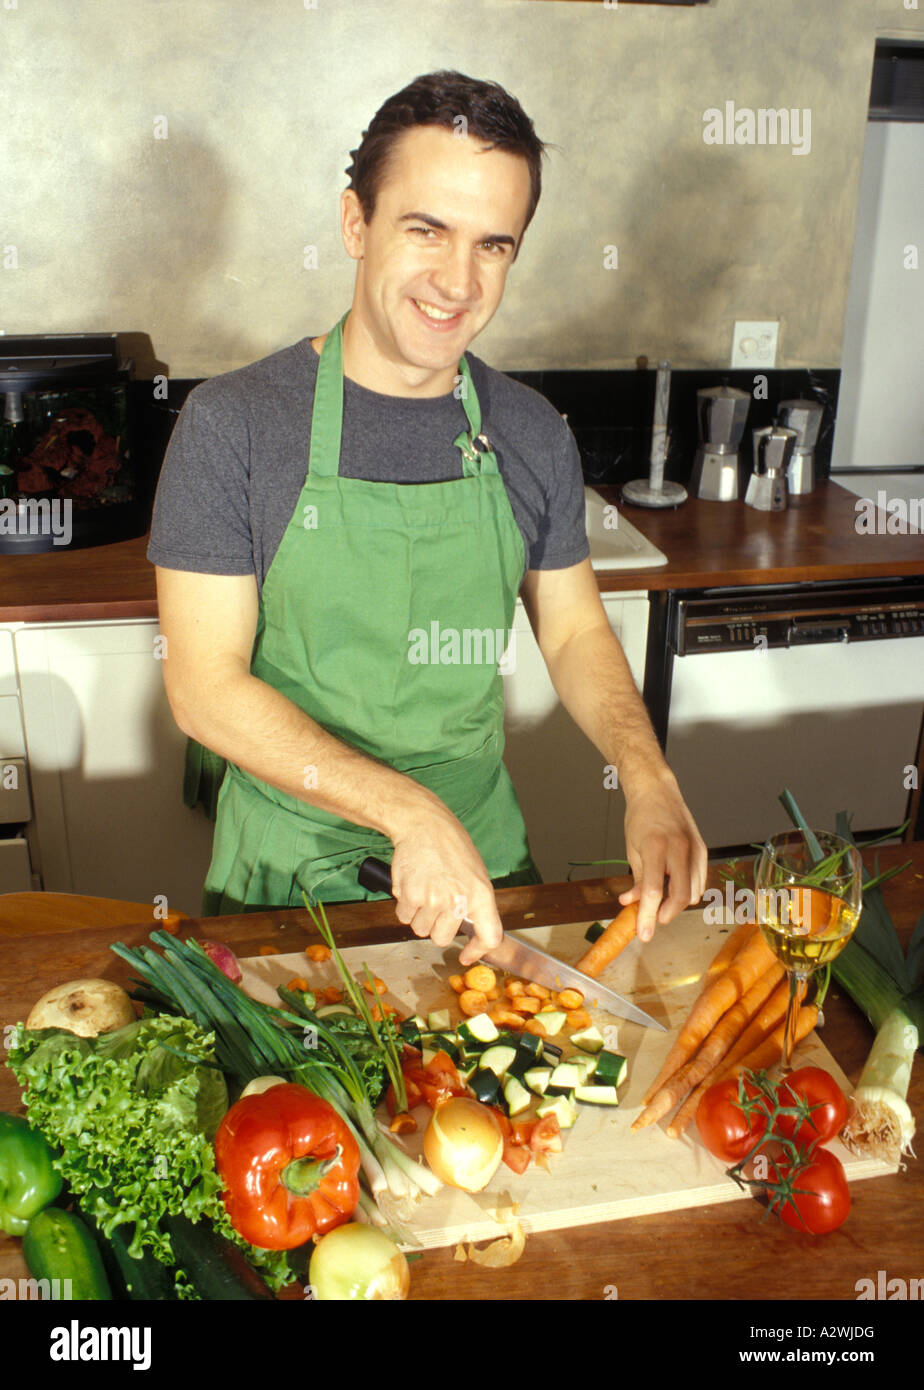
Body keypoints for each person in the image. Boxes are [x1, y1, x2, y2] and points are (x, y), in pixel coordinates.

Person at [149, 70, 707, 965]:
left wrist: (649, 778)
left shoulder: (528, 430)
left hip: (479, 868)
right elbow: (204, 689)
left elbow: (569, 632)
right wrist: (407, 812)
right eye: (427, 230)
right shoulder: (236, 424)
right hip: (291, 874)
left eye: (494, 245)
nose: (458, 280)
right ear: (355, 224)